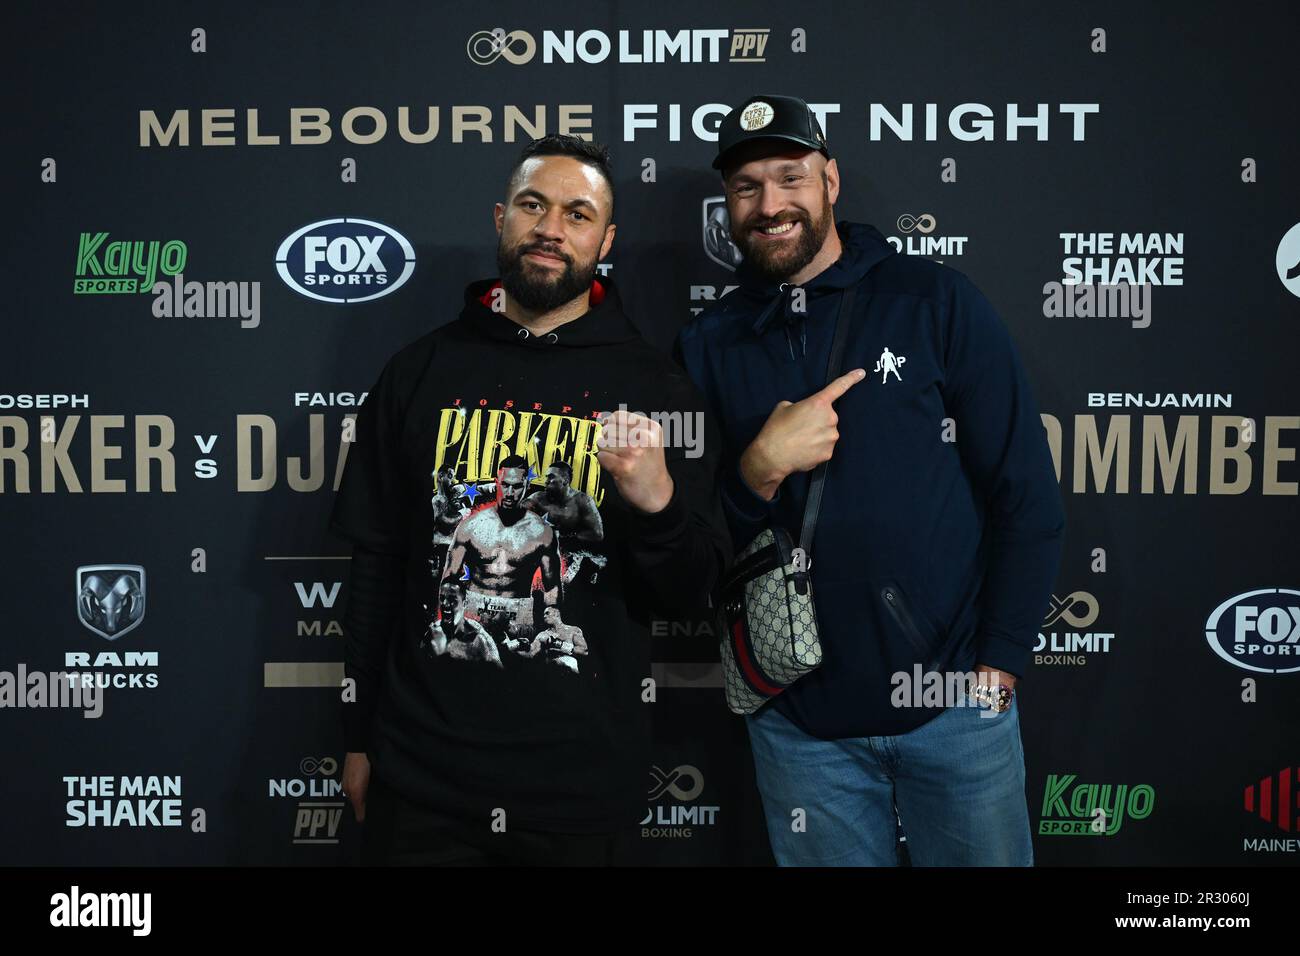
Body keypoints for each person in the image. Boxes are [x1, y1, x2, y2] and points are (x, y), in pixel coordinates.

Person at [674, 94, 1066, 866]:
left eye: (791, 177)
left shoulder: (932, 301)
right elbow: (688, 540)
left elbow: (1026, 494)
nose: (770, 204)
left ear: (831, 182)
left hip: (954, 708)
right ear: (728, 205)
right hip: (798, 724)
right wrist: (757, 468)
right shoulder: (708, 343)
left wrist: (999, 667)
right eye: (747, 186)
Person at [331, 132, 731, 866]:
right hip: (422, 779)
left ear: (606, 239)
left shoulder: (657, 388)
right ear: (500, 218)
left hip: (577, 791)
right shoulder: (418, 372)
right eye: (532, 205)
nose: (551, 228)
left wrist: (659, 502)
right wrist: (357, 738)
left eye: (577, 215)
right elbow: (377, 570)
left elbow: (692, 591)